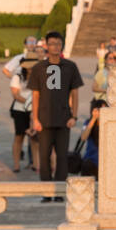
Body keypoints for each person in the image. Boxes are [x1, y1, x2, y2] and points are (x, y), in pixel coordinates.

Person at [29, 31, 83, 195]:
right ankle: (46, 192)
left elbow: (75, 93)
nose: (55, 47)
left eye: (58, 44)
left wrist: (74, 116)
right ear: (46, 45)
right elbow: (35, 95)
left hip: (64, 118)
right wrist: (35, 119)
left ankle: (60, 191)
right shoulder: (39, 68)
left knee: (62, 157)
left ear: (61, 45)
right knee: (44, 156)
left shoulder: (70, 66)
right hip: (44, 119)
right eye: (52, 43)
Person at [9, 56, 37, 173]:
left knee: (34, 138)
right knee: (19, 136)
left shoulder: (38, 76)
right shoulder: (17, 77)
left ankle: (35, 164)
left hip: (34, 110)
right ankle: (16, 165)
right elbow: (15, 94)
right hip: (20, 110)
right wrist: (29, 102)